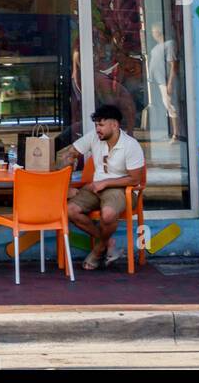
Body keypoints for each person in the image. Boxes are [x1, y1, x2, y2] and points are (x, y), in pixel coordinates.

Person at [58, 103, 145, 270]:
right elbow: (71, 152)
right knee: (69, 210)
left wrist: (106, 182)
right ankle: (108, 242)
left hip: (121, 189)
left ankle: (97, 251)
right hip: (95, 188)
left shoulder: (131, 145)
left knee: (108, 214)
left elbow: (135, 180)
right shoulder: (94, 137)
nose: (97, 129)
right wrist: (69, 159)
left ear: (114, 125)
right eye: (96, 125)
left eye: (101, 125)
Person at [145, 23, 181, 141]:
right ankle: (171, 132)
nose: (153, 34)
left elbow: (173, 65)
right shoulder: (156, 47)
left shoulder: (169, 44)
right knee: (166, 105)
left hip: (166, 81)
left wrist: (170, 82)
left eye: (155, 31)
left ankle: (176, 133)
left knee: (170, 105)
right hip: (158, 81)